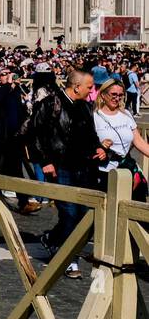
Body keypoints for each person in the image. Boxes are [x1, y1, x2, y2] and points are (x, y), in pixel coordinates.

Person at [29, 68, 106, 279]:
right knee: (70, 213)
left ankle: (52, 239)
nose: (92, 91)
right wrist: (45, 161)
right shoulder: (50, 104)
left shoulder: (85, 107)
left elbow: (91, 134)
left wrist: (98, 148)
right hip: (61, 165)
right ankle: (70, 258)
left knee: (84, 215)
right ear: (77, 86)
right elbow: (35, 133)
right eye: (90, 87)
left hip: (85, 167)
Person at [0, 66, 38, 215]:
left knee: (17, 170)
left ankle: (23, 202)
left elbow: (19, 110)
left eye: (9, 74)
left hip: (13, 137)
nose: (8, 76)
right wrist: (8, 86)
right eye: (4, 74)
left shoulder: (16, 90)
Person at [93, 78, 149, 202]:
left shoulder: (126, 114)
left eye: (120, 95)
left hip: (128, 169)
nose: (117, 98)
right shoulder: (95, 117)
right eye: (113, 94)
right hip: (105, 172)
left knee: (135, 209)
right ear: (103, 94)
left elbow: (139, 141)